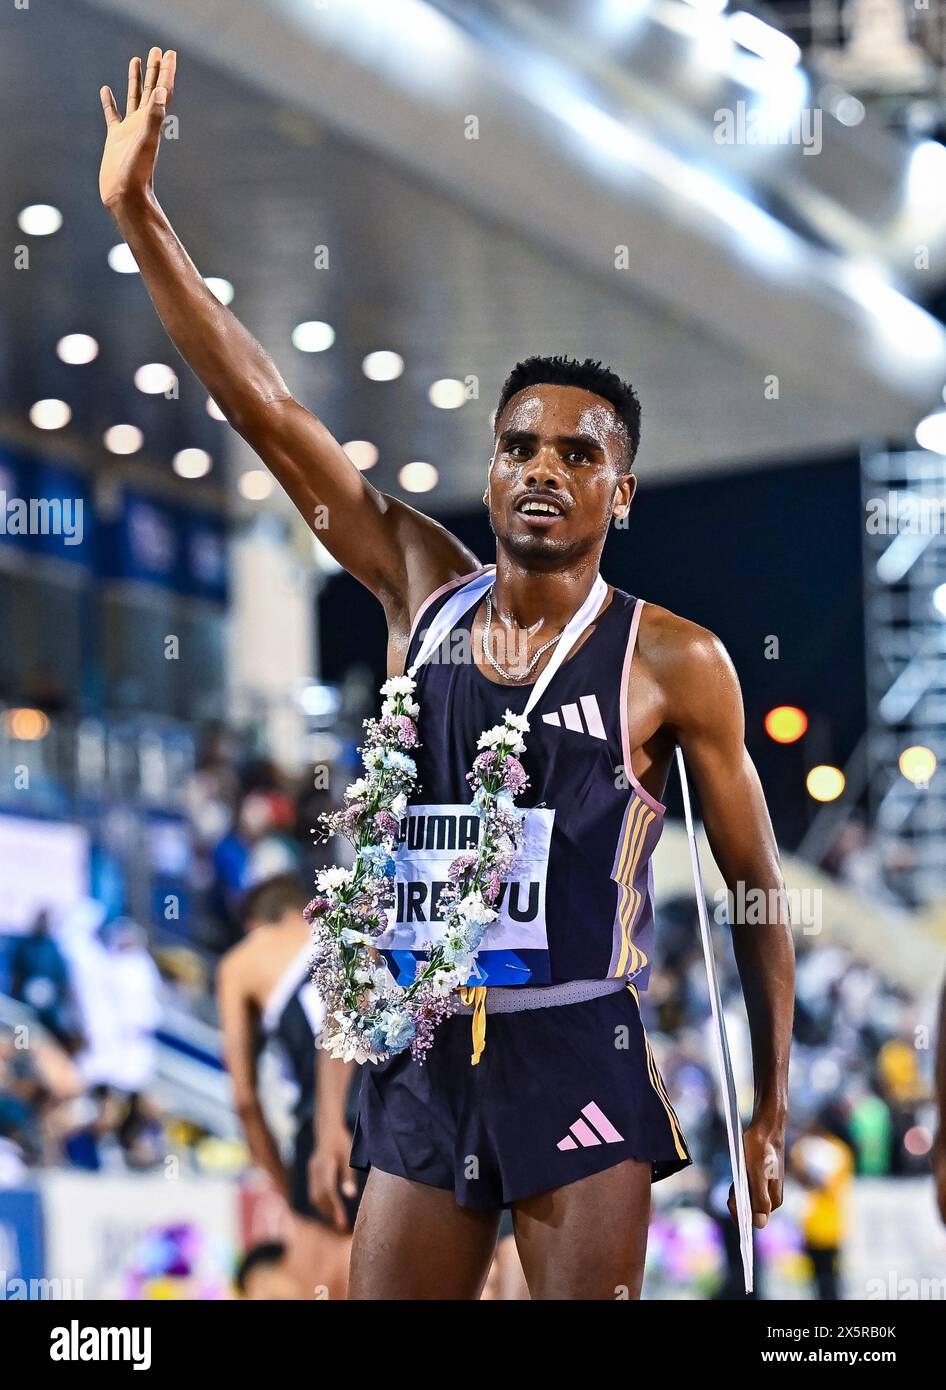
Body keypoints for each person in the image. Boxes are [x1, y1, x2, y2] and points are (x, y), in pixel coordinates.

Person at [96, 50, 795, 1301]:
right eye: (517, 444)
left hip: (576, 1048)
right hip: (421, 1056)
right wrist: (141, 217)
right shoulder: (423, 589)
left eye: (575, 454)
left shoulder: (671, 659)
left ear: (618, 492)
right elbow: (266, 412)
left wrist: (771, 1105)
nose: (540, 466)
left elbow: (753, 889)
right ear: (489, 469)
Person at [216, 875, 360, 1300]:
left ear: (256, 925)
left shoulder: (243, 961)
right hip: (396, 1114)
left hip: (324, 1129)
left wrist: (284, 1185)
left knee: (318, 1284)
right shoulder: (355, 932)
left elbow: (243, 1098)